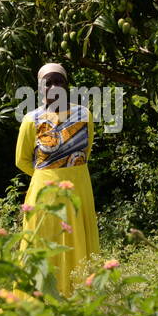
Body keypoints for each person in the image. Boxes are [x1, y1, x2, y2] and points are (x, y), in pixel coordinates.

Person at [15, 63, 99, 294]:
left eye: (58, 81)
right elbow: (21, 160)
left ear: (67, 85)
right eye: (48, 82)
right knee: (45, 242)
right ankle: (41, 299)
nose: (54, 87)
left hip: (78, 189)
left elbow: (85, 152)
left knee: (77, 240)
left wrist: (67, 173)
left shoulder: (84, 115)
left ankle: (79, 297)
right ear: (40, 87)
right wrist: (48, 176)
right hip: (46, 195)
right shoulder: (31, 120)